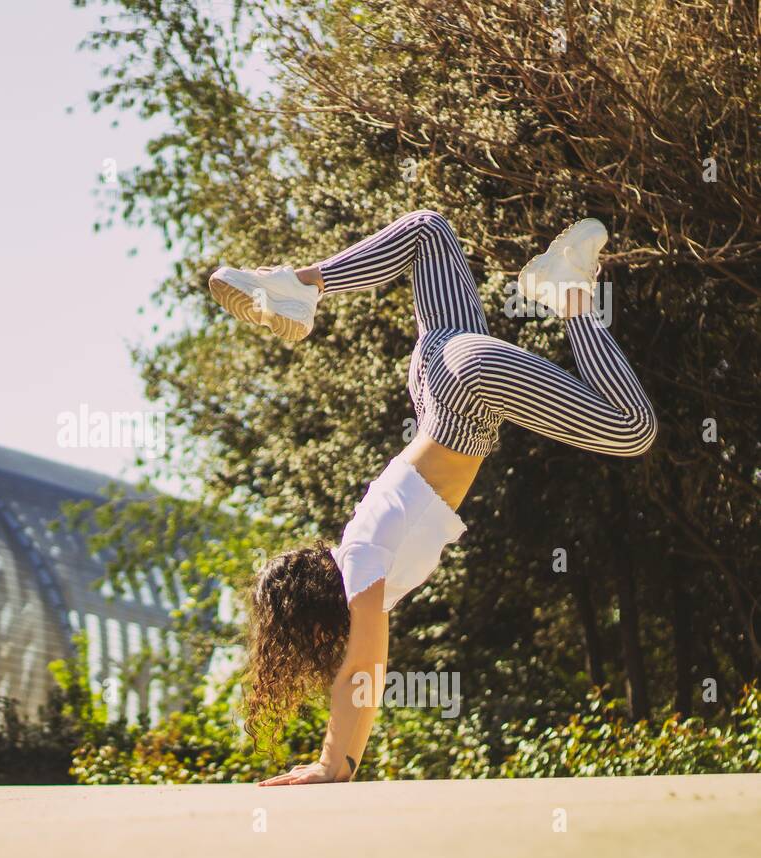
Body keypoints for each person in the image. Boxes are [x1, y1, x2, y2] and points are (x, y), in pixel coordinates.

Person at [207, 210, 657, 785]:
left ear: (315, 616)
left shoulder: (362, 567)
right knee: (428, 230)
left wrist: (333, 765)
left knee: (630, 428)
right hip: (435, 369)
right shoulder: (360, 548)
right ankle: (297, 283)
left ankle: (569, 293)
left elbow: (363, 668)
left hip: (463, 396)